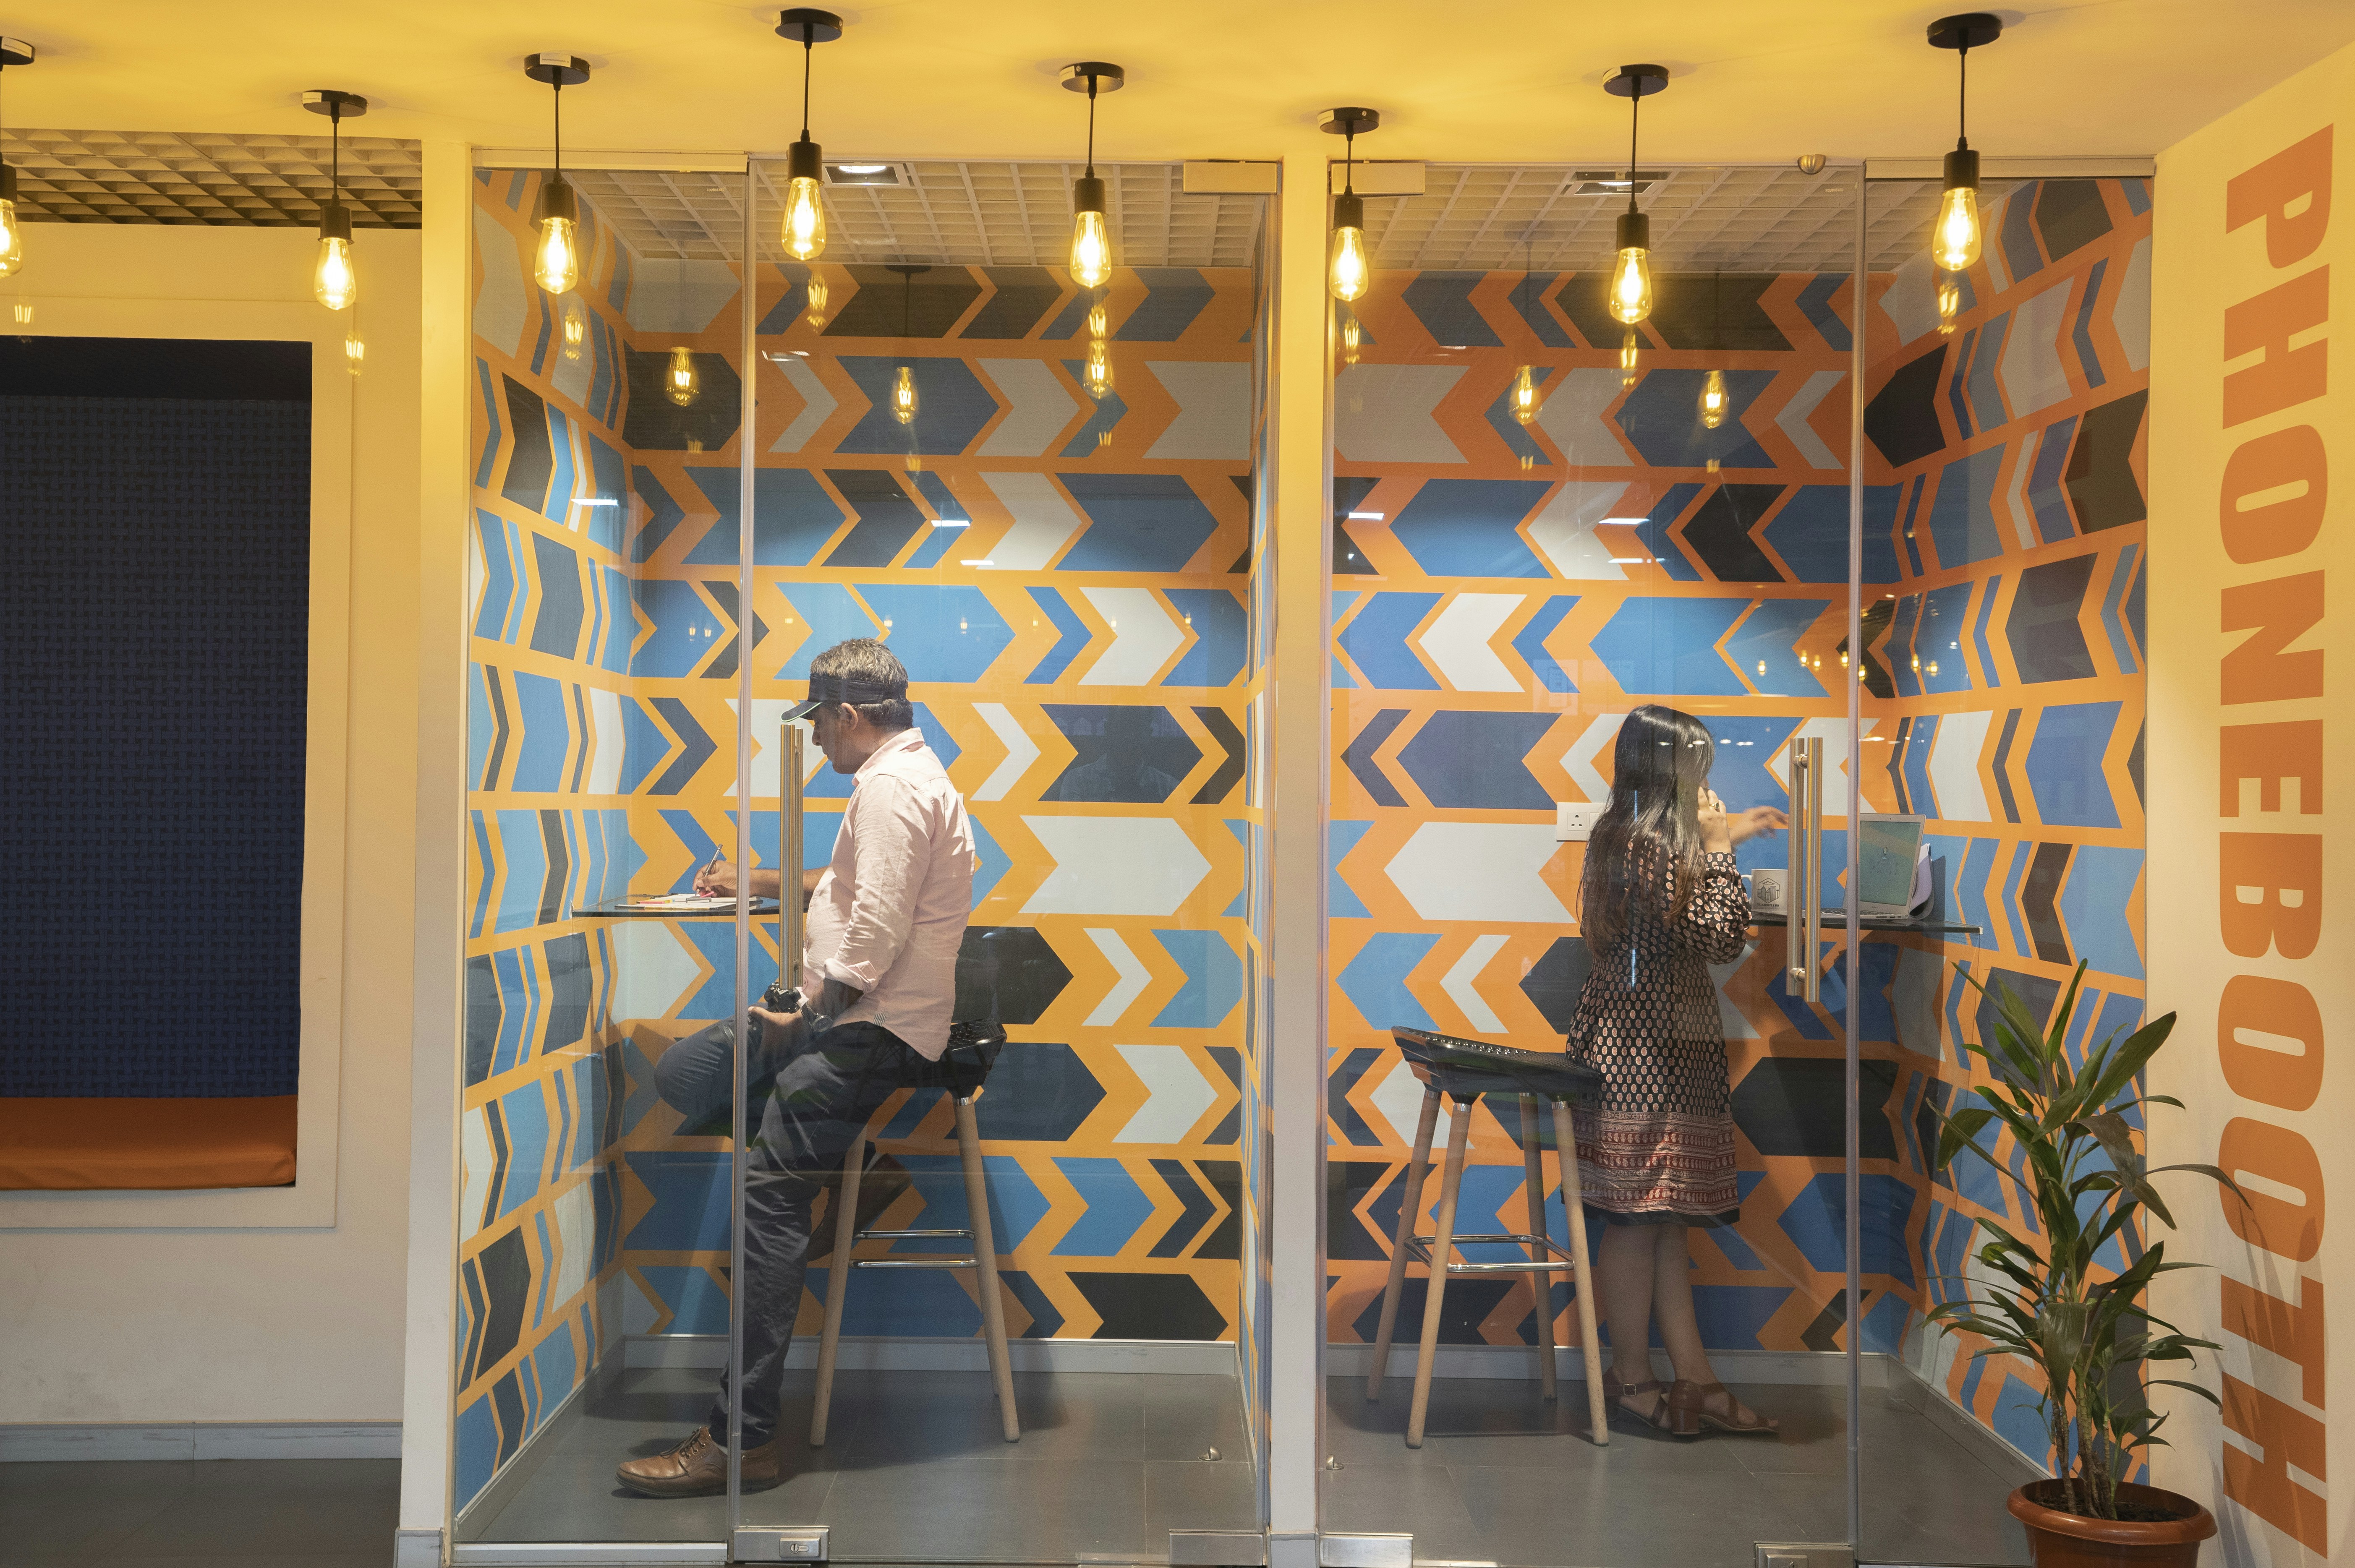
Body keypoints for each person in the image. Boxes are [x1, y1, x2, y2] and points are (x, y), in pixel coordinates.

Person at [617, 638, 974, 1496]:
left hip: (864, 1027)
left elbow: (878, 928)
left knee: (767, 1197)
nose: (814, 741)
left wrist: (806, 1016)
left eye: (818, 723)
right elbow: (854, 885)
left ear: (849, 716)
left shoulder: (890, 788)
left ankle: (740, 1441)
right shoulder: (901, 778)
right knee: (691, 1075)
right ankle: (858, 1172)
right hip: (853, 1013)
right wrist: (765, 880)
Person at [1568, 704, 1787, 1439]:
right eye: (1696, 765)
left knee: (1662, 1219)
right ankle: (1633, 1380)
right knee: (1639, 1217)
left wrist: (1726, 834)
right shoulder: (1648, 847)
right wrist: (1723, 846)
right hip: (1643, 1055)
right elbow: (1723, 934)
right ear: (1669, 771)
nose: (1706, 778)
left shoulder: (1631, 836)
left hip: (1657, 1049)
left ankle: (1695, 1380)